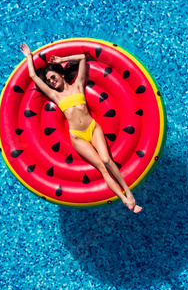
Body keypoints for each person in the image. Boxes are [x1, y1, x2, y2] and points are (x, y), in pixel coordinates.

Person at [20, 43, 142, 213]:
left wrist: (62, 59)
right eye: (49, 81)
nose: (52, 82)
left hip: (93, 128)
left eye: (53, 77)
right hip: (77, 136)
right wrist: (29, 57)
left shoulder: (78, 85)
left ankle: (129, 192)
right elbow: (33, 76)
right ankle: (125, 200)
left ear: (61, 74)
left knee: (107, 161)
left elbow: (83, 58)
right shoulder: (55, 95)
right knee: (101, 168)